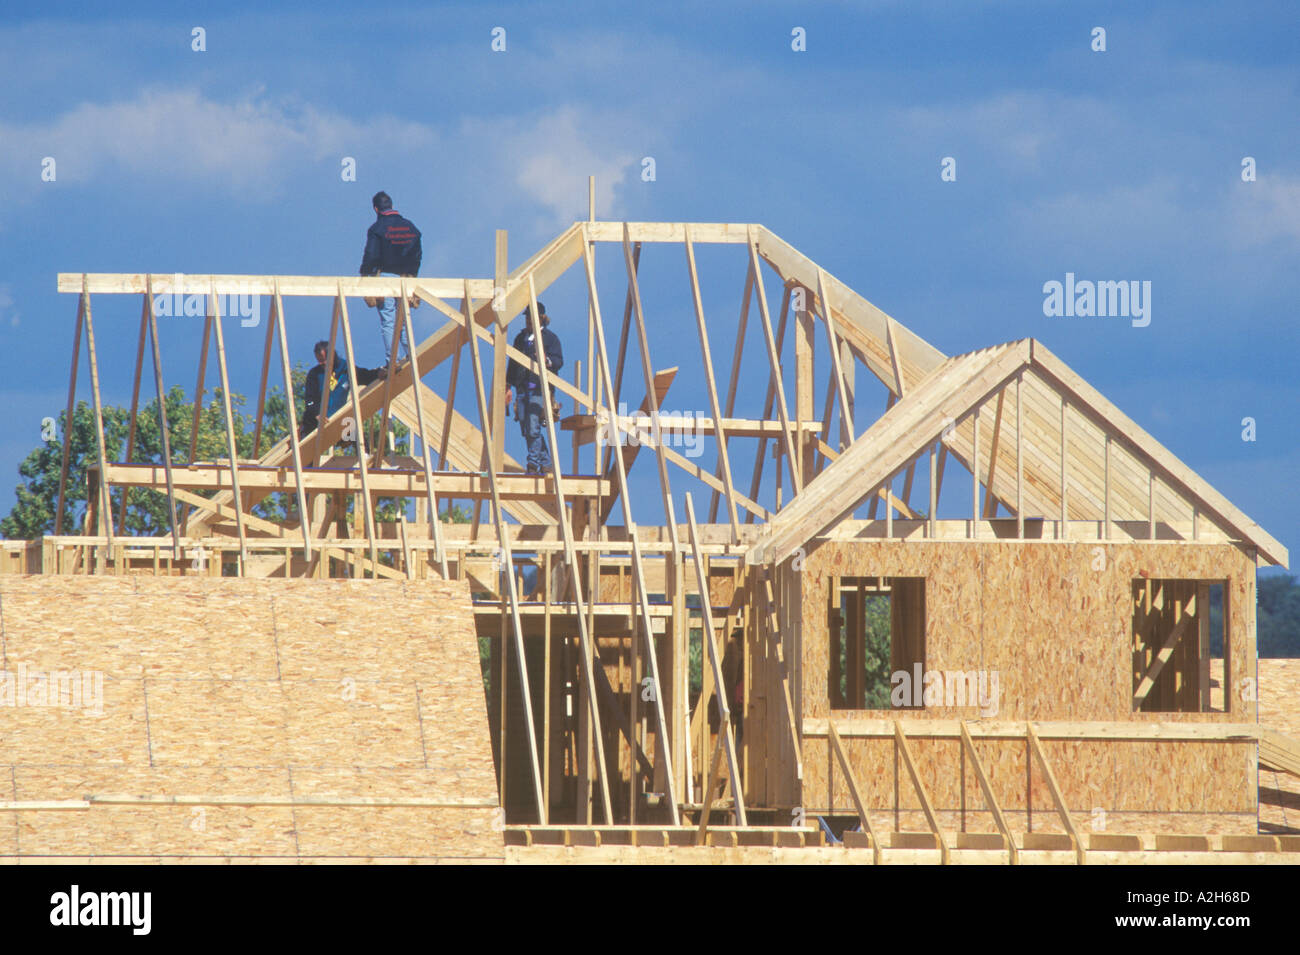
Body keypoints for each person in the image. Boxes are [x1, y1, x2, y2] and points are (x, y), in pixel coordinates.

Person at [359, 191, 421, 364]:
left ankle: (393, 360)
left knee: (388, 319)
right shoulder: (410, 227)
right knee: (403, 319)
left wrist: (365, 274)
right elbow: (417, 255)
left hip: (385, 276)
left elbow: (371, 254)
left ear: (376, 209)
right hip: (405, 278)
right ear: (392, 206)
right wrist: (412, 275)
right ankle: (411, 355)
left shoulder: (377, 229)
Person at [504, 302, 563, 474]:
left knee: (533, 426)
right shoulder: (520, 339)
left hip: (539, 389)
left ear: (541, 319)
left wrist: (547, 361)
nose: (529, 321)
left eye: (532, 318)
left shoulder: (550, 339)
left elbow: (558, 361)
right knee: (526, 428)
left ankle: (532, 464)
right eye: (527, 318)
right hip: (522, 390)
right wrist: (508, 386)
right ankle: (545, 463)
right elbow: (513, 365)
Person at [299, 340, 386, 439]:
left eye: (323, 360)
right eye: (319, 361)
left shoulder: (345, 368)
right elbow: (309, 399)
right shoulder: (314, 374)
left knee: (358, 440)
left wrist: (378, 373)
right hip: (317, 420)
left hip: (338, 418)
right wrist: (317, 414)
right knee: (306, 444)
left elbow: (364, 375)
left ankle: (364, 453)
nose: (321, 363)